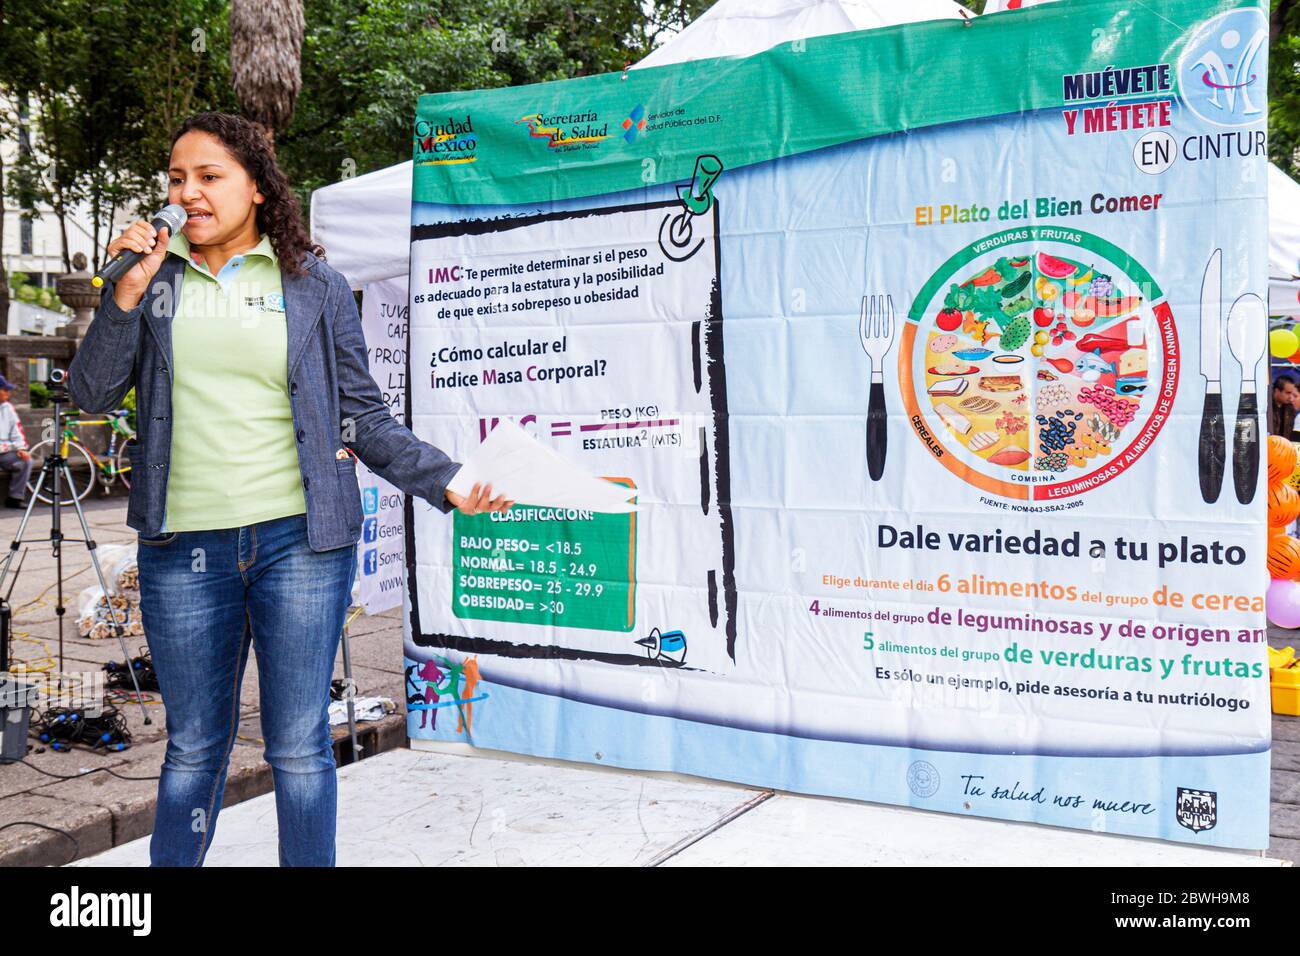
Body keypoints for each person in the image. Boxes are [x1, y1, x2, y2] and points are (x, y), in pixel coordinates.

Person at [67, 111, 514, 867]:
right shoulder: (157, 281)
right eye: (178, 178)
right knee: (194, 748)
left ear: (258, 188)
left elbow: (363, 415)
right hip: (182, 550)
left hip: (299, 543)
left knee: (300, 746)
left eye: (209, 177)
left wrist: (449, 480)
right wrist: (125, 297)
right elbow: (92, 395)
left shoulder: (313, 284)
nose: (188, 193)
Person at [0, 374, 32, 507]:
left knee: (25, 461)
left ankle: (15, 498)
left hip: (5, 452)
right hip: (4, 448)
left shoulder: (7, 408)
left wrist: (21, 448)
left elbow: (17, 432)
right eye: (4, 390)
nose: (8, 393)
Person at [1271, 372, 1300, 439]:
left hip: (1285, 446)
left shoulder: (1290, 408)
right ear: (1277, 391)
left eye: (1292, 393)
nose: (1290, 397)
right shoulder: (1267, 407)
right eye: (1287, 393)